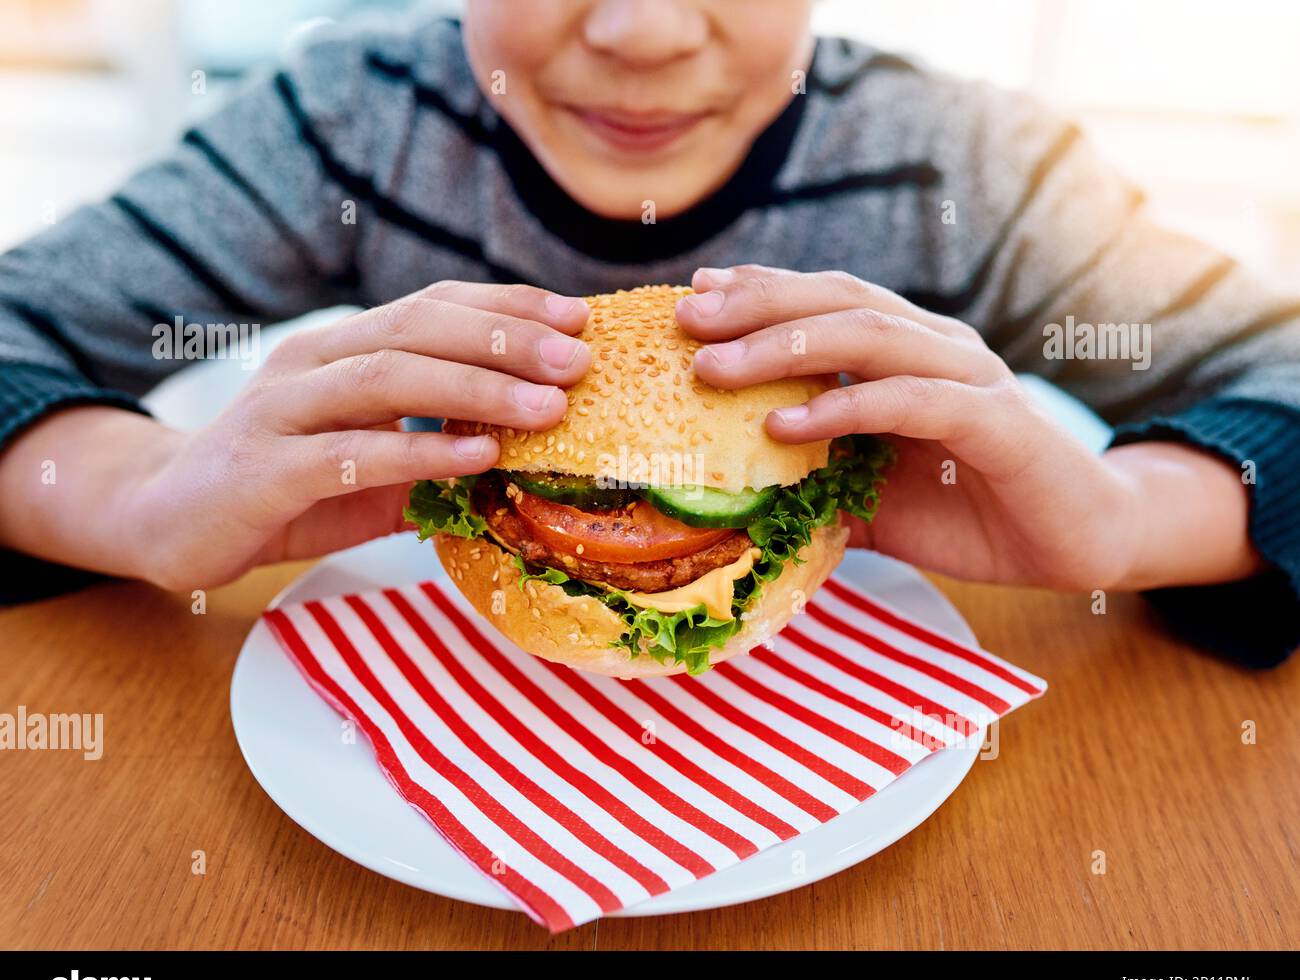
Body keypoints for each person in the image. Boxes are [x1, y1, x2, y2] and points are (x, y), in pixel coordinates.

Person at [1, 1, 1297, 665]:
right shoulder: (346, 123)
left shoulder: (969, 165)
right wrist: (134, 499)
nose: (645, 35)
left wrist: (1129, 518)